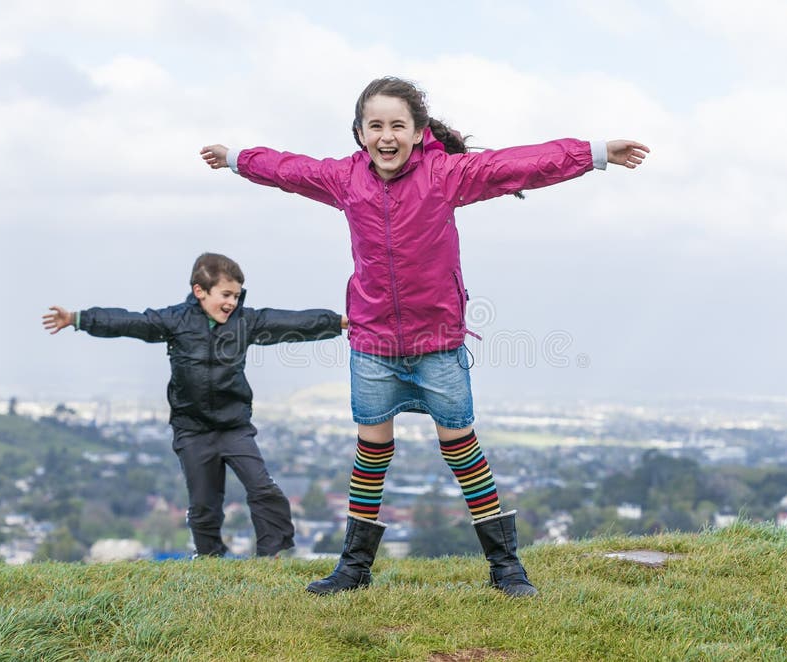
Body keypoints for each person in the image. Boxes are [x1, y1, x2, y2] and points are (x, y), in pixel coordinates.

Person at [200, 76, 649, 596]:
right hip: (373, 346)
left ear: (418, 133)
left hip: (437, 345)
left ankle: (506, 568)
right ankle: (353, 569)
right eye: (376, 126)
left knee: (462, 451)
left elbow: (517, 164)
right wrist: (236, 157)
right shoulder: (346, 180)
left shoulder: (444, 175)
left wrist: (593, 152)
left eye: (397, 125)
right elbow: (288, 169)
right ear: (359, 133)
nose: (386, 136)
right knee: (371, 453)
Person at [42, 252, 346, 559]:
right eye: (225, 294)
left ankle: (270, 556)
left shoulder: (245, 322)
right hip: (192, 431)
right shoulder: (175, 321)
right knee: (203, 505)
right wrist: (78, 319)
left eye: (237, 296)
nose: (232, 302)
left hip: (234, 427)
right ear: (200, 290)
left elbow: (292, 322)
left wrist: (338, 322)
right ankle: (209, 559)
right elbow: (130, 321)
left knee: (263, 489)